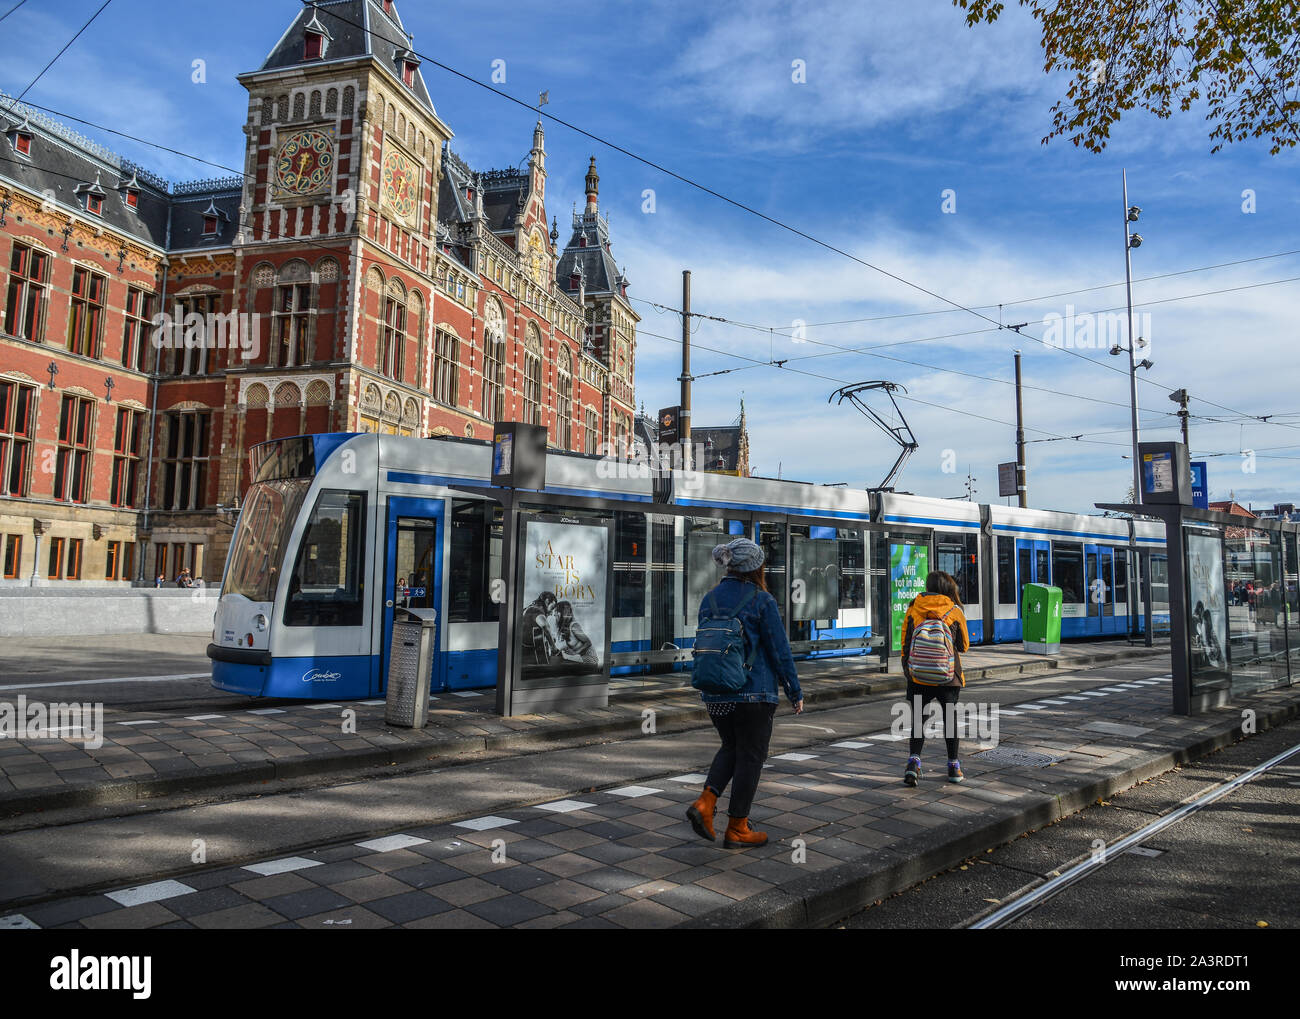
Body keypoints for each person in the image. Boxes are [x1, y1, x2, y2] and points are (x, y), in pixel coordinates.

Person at [686, 537, 803, 849]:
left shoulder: (708, 599)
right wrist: (794, 690)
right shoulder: (762, 600)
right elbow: (779, 650)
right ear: (757, 567)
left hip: (715, 694)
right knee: (751, 756)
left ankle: (705, 804)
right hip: (754, 695)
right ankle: (737, 827)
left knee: (731, 747)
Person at [900, 570, 970, 785]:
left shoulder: (914, 607)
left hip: (918, 676)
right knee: (950, 720)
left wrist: (908, 670)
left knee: (918, 721)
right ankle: (953, 768)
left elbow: (905, 642)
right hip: (947, 677)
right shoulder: (954, 610)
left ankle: (913, 765)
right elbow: (964, 646)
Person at [555, 600, 597, 667]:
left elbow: (588, 642)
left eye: (557, 611)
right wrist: (564, 648)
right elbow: (575, 643)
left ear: (563, 613)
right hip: (580, 658)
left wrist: (575, 652)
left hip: (589, 660)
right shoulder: (565, 627)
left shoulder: (574, 626)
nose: (555, 614)